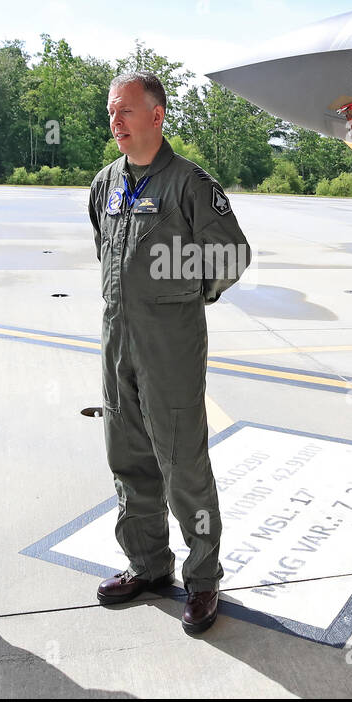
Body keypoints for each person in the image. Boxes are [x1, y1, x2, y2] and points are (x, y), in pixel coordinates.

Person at [88, 71, 250, 634]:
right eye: (111, 111)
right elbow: (104, 248)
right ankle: (148, 564)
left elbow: (232, 254)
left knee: (182, 462)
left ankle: (203, 579)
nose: (116, 122)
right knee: (127, 456)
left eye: (126, 112)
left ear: (156, 116)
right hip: (116, 343)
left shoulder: (188, 184)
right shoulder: (105, 183)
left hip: (171, 346)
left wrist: (182, 292)